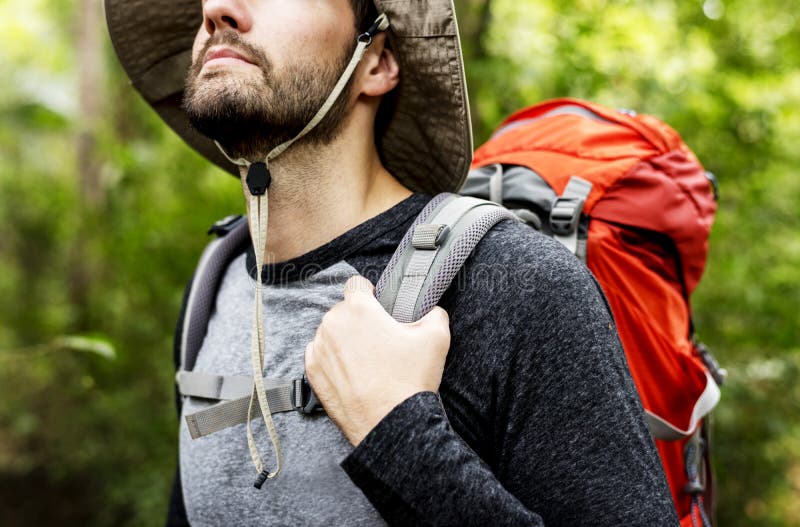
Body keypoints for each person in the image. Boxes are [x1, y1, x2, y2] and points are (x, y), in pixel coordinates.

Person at [105, 0, 679, 525]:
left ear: (376, 61)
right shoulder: (215, 284)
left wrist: (399, 433)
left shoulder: (516, 285)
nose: (218, 9)